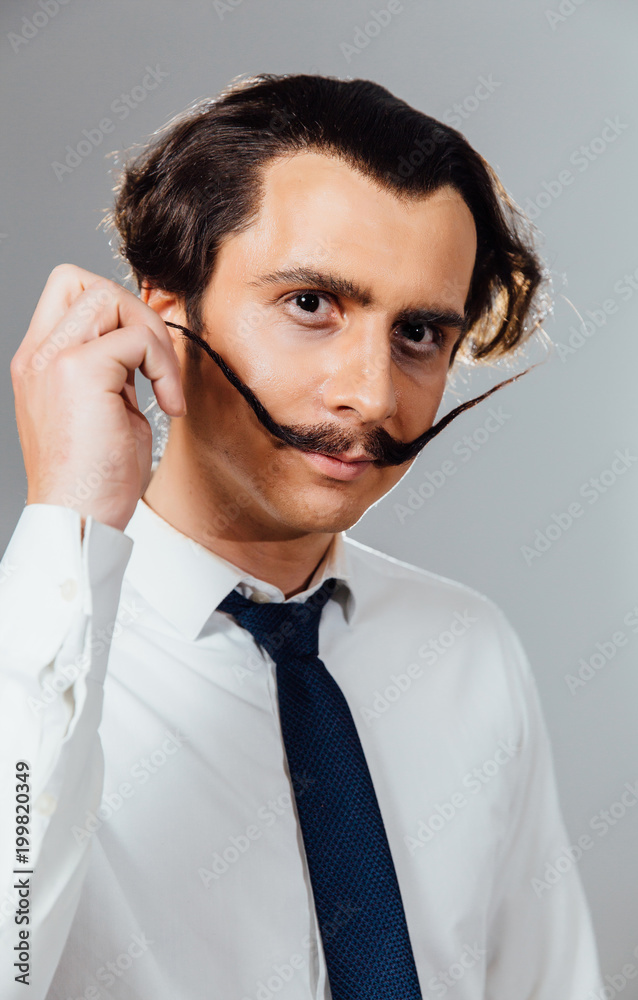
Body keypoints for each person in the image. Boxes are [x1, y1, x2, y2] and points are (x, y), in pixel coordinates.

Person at [0, 73, 602, 999]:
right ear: (166, 314)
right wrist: (68, 521)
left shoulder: (468, 650)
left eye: (418, 332)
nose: (369, 393)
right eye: (312, 304)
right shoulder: (31, 650)